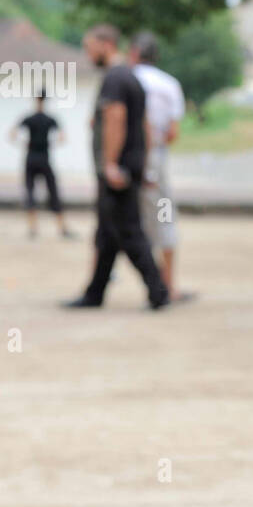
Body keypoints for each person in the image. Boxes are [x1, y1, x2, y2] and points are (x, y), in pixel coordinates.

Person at [63, 24, 169, 310]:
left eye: (90, 47)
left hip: (117, 172)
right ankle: (94, 293)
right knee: (107, 234)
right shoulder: (131, 77)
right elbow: (145, 125)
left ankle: (159, 292)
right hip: (130, 167)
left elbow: (115, 118)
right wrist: (144, 167)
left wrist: (110, 164)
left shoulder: (114, 78)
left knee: (130, 232)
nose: (88, 54)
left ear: (106, 44)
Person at [128, 31, 191, 300]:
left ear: (133, 52)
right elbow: (174, 132)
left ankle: (146, 283)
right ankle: (168, 285)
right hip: (156, 158)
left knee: (128, 220)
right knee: (164, 217)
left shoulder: (125, 79)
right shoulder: (169, 84)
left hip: (126, 158)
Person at [11, 90, 73, 239]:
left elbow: (12, 134)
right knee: (53, 192)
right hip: (44, 158)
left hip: (31, 157)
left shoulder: (29, 118)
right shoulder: (50, 119)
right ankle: (62, 227)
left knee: (30, 191)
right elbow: (62, 138)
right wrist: (50, 144)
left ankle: (33, 228)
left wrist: (24, 144)